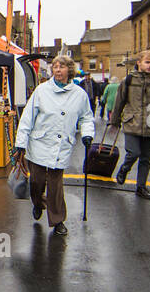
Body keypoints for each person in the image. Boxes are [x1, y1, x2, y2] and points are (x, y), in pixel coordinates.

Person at [14, 54, 96, 236]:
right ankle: (37, 203)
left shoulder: (79, 94)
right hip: (39, 144)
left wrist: (88, 134)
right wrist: (21, 143)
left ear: (70, 70)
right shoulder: (42, 91)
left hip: (61, 146)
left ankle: (58, 220)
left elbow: (86, 117)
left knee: (55, 186)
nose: (58, 70)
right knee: (36, 182)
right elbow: (27, 118)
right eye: (55, 67)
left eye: (62, 67)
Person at [111, 50, 150, 200]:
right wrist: (115, 121)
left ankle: (141, 187)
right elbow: (120, 101)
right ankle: (124, 169)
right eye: (147, 62)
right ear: (139, 62)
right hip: (132, 122)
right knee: (134, 153)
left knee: (145, 159)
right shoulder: (129, 80)